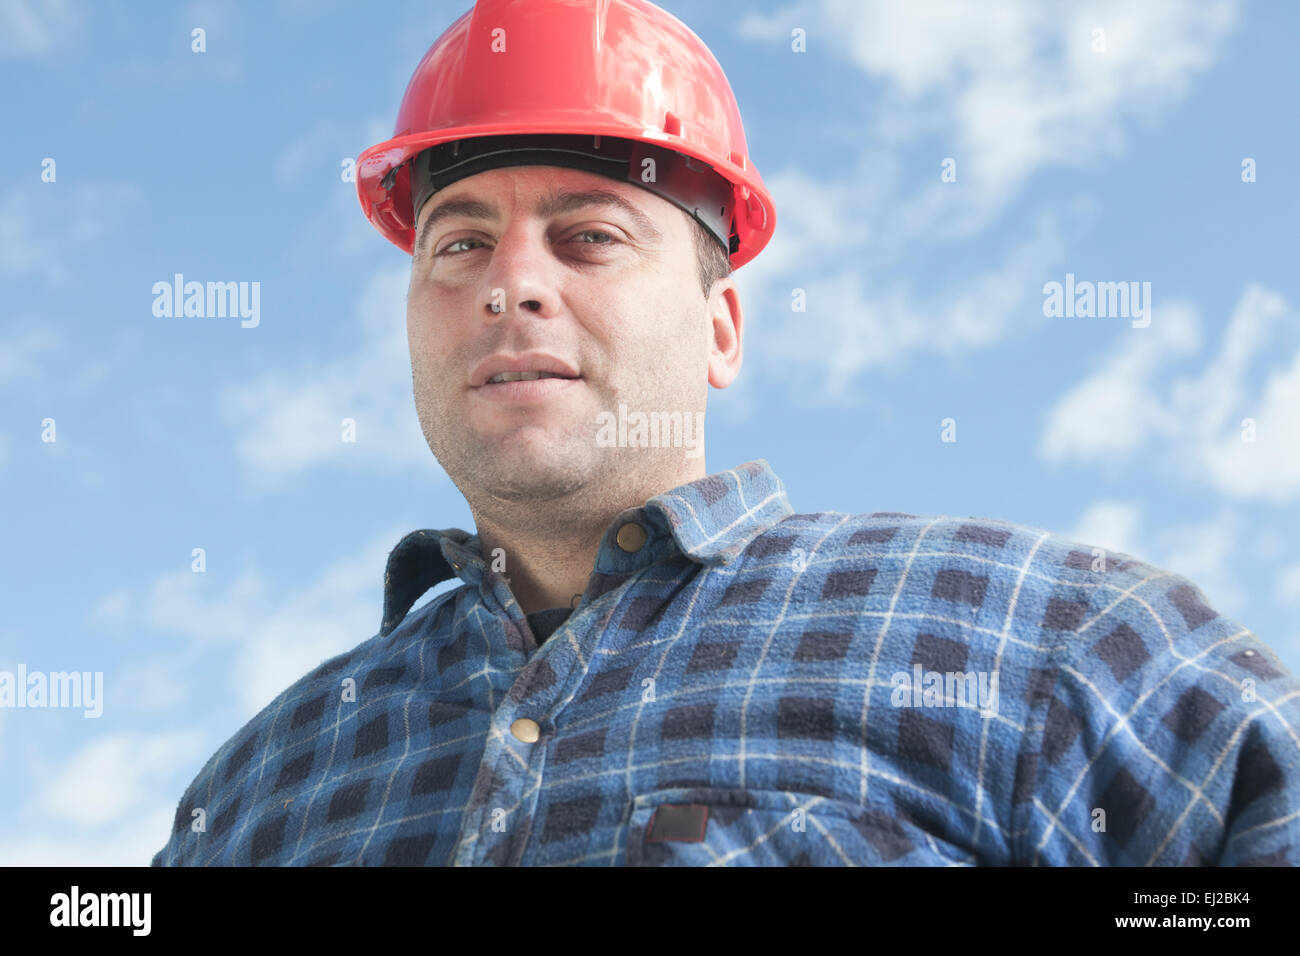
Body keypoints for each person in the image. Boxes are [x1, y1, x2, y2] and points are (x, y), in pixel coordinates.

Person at [152, 0, 1299, 866]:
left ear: (720, 327)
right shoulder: (256, 788)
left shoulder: (1049, 646)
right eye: (457, 244)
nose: (510, 286)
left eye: (588, 235)